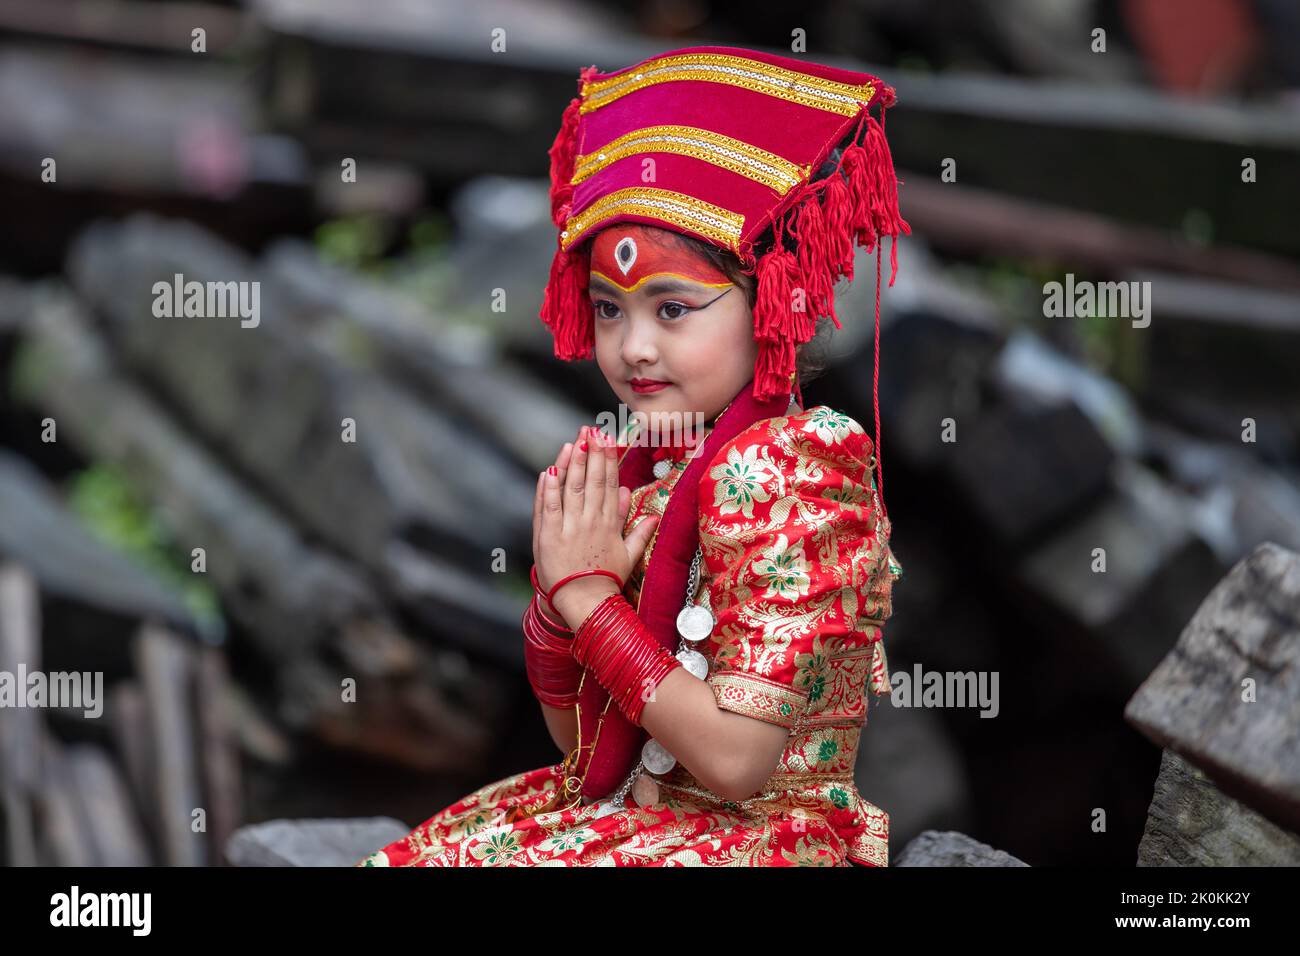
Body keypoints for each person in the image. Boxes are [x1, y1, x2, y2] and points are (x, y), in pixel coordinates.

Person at [357, 44, 907, 867]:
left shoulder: (796, 469)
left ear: (772, 301)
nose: (634, 347)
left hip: (757, 840)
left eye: (674, 308)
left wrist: (592, 605)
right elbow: (588, 746)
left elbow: (732, 761)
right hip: (639, 818)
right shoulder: (655, 468)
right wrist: (556, 606)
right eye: (609, 310)